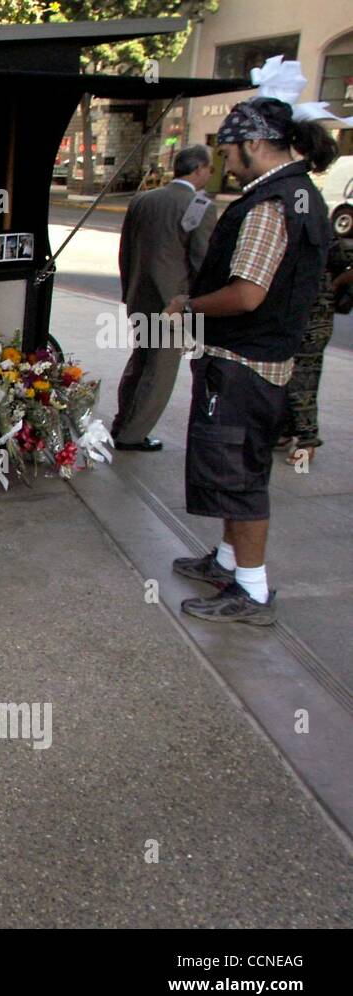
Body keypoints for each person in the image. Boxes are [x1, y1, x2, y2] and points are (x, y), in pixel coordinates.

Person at [164, 95, 337, 625]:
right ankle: (227, 561)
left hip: (243, 365)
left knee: (238, 477)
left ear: (256, 144)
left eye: (230, 149)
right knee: (233, 469)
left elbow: (247, 294)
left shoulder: (268, 206)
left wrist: (188, 304)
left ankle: (251, 591)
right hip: (264, 361)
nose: (224, 161)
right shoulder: (302, 194)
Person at [112, 144, 217, 451]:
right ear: (198, 169)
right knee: (159, 373)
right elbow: (201, 260)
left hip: (139, 296)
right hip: (172, 303)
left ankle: (123, 422)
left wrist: (128, 289)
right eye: (209, 168)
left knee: (139, 363)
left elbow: (126, 252)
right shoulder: (199, 205)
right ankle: (132, 434)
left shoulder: (144, 199)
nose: (210, 174)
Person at [275, 239, 353, 465]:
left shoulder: (328, 243)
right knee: (287, 379)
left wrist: (336, 283)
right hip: (293, 319)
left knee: (302, 381)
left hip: (313, 324)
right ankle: (285, 432)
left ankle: (306, 442)